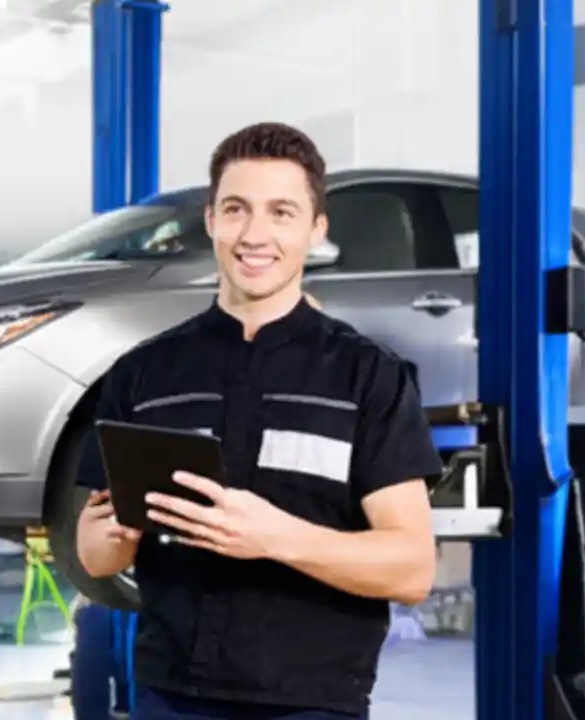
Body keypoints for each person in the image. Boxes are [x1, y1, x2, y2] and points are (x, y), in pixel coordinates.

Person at [74, 122, 440, 720]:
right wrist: (109, 538)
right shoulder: (142, 374)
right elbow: (95, 557)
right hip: (170, 696)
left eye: (281, 212)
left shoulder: (369, 379)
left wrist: (274, 536)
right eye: (236, 209)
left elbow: (412, 568)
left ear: (316, 231)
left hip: (311, 703)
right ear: (210, 220)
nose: (254, 234)